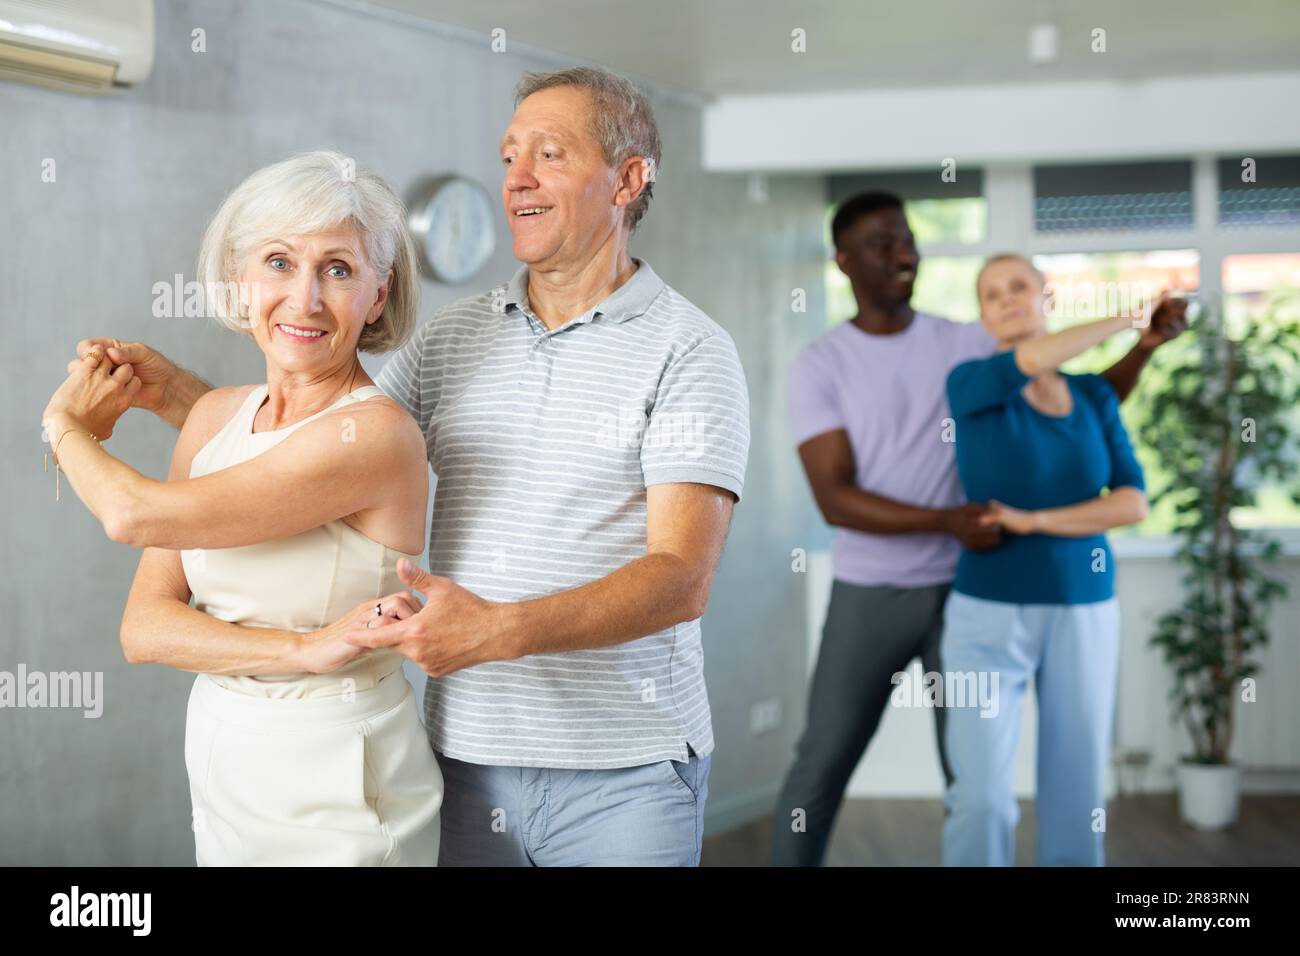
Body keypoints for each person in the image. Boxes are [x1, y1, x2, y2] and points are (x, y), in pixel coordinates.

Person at [68, 66, 750, 867]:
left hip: (622, 772)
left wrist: (500, 630)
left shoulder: (689, 350)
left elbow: (680, 577)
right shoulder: (454, 339)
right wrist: (182, 396)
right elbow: (324, 452)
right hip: (464, 756)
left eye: (550, 154)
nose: (518, 178)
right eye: (508, 156)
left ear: (629, 179)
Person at [41, 151, 442, 865]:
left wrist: (63, 429)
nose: (306, 298)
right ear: (240, 278)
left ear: (378, 295)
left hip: (341, 774)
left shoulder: (377, 435)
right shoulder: (214, 417)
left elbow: (133, 515)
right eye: (280, 262)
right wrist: (297, 650)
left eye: (340, 269)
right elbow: (145, 629)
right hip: (226, 757)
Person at [772, 192, 1186, 866]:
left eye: (907, 239)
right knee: (823, 758)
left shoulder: (962, 337)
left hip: (966, 589)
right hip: (875, 591)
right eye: (882, 244)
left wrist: (1143, 343)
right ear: (843, 262)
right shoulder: (822, 363)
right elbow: (835, 499)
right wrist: (948, 521)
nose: (904, 253)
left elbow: (1083, 400)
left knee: (973, 782)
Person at [940, 253, 1151, 866]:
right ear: (982, 315)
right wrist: (1125, 318)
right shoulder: (971, 383)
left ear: (1046, 297)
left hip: (1083, 609)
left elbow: (1133, 503)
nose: (1007, 299)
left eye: (1019, 287)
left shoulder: (1093, 397)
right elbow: (1031, 360)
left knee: (1077, 790)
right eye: (991, 294)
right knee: (981, 799)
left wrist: (1033, 522)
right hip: (985, 616)